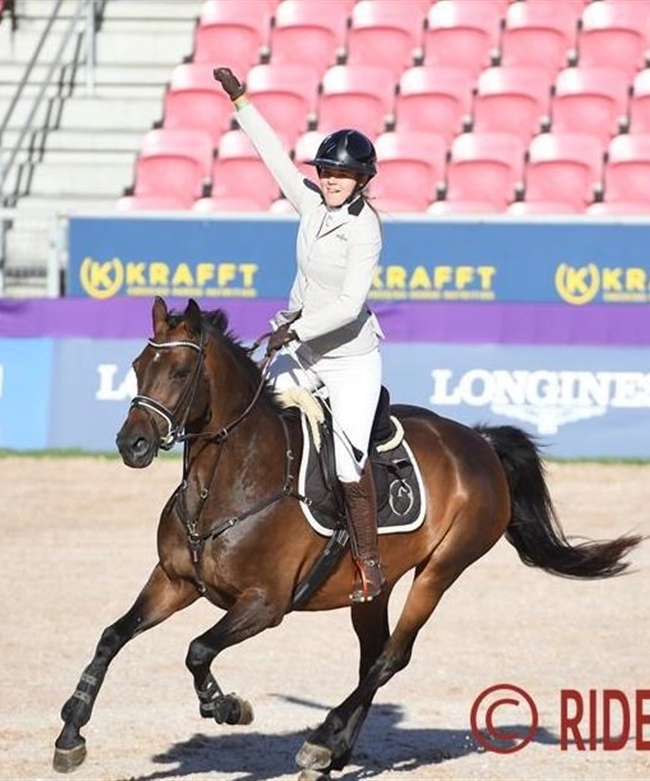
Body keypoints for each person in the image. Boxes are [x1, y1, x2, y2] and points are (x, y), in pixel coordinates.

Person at [212, 66, 385, 603]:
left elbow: (349, 305)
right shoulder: (311, 204)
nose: (330, 179)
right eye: (326, 171)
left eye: (341, 174)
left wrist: (293, 329)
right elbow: (272, 157)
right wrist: (241, 101)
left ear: (361, 181)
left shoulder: (366, 229)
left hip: (350, 360)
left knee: (344, 460)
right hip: (302, 348)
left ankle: (368, 564)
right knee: (254, 416)